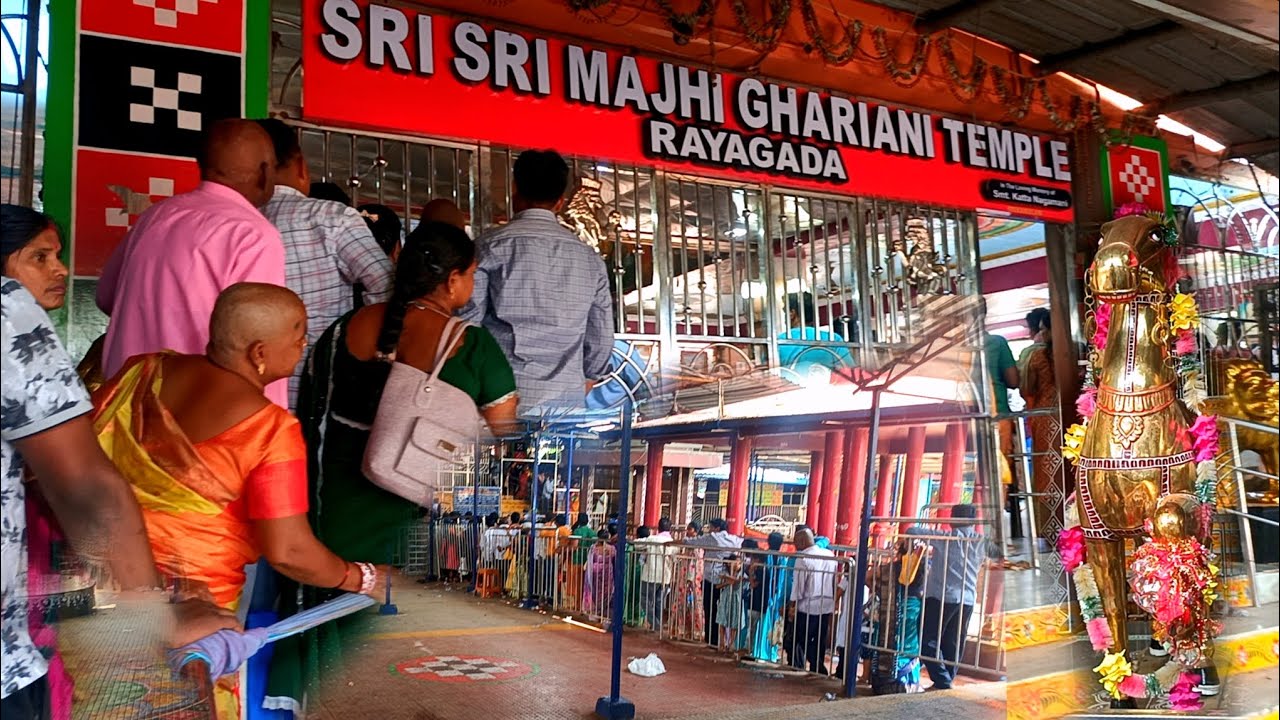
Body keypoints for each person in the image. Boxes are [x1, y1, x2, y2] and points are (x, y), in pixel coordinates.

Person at [2, 276, 240, 718]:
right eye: (40, 256)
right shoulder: (6, 313)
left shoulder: (141, 372)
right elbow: (86, 488)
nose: (59, 268)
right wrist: (149, 612)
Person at [97, 119, 290, 406]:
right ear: (265, 172)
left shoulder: (155, 216)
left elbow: (105, 297)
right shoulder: (254, 234)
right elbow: (258, 348)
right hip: (195, 412)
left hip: (122, 406)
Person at [459, 149, 614, 415]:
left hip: (499, 402)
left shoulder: (488, 248)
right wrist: (587, 379)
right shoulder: (590, 259)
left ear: (514, 189)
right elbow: (601, 337)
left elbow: (468, 325)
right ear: (560, 202)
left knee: (496, 459)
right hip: (566, 406)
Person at [256, 119, 395, 410]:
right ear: (301, 166)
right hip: (318, 391)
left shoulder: (235, 222)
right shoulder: (331, 217)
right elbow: (385, 286)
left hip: (248, 395)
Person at [906, 504, 986, 691]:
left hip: (940, 597)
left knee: (927, 640)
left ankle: (942, 682)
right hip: (967, 600)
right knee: (954, 643)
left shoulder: (945, 537)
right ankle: (945, 680)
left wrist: (932, 525)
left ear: (952, 520)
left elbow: (912, 530)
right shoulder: (982, 542)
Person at [1018, 310, 1060, 545]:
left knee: (1046, 471)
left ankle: (1050, 528)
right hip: (1070, 414)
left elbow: (1026, 389)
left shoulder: (1033, 356)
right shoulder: (1073, 350)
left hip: (1044, 419)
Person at [683, 518, 742, 648]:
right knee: (725, 611)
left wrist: (678, 541)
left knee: (710, 609)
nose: (709, 530)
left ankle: (712, 639)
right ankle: (724, 641)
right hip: (726, 580)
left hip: (712, 578)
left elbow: (694, 541)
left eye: (710, 527)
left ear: (716, 528)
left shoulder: (713, 538)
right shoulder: (734, 539)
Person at [789, 527, 837, 675]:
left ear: (803, 541)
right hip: (826, 603)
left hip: (807, 605)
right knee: (819, 639)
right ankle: (816, 668)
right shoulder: (830, 555)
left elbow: (798, 587)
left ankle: (818, 667)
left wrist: (792, 606)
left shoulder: (802, 559)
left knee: (802, 638)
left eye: (796, 542)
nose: (795, 545)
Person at [777, 291, 856, 377]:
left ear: (792, 313)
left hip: (791, 389)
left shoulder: (779, 341)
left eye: (785, 312)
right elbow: (850, 372)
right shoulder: (833, 339)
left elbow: (768, 376)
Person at [749, 532, 791, 663]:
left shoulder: (764, 557)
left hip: (764, 596)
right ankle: (770, 652)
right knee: (773, 624)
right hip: (777, 597)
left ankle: (760, 651)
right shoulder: (783, 558)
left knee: (763, 624)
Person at [636, 517, 676, 632]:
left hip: (650, 575)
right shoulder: (673, 542)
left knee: (644, 600)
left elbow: (637, 544)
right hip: (665, 576)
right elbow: (675, 560)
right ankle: (656, 626)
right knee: (659, 602)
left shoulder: (652, 539)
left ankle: (655, 624)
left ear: (658, 527)